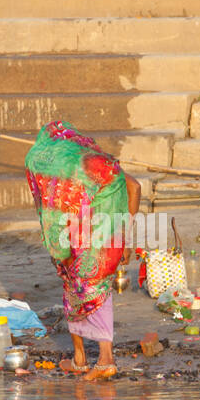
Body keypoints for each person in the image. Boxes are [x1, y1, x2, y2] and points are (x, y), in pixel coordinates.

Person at [25, 121, 141, 381]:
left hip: (92, 239)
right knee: (76, 293)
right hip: (84, 238)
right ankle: (79, 360)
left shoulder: (90, 167)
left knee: (92, 292)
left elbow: (133, 188)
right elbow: (134, 187)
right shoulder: (89, 165)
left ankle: (106, 360)